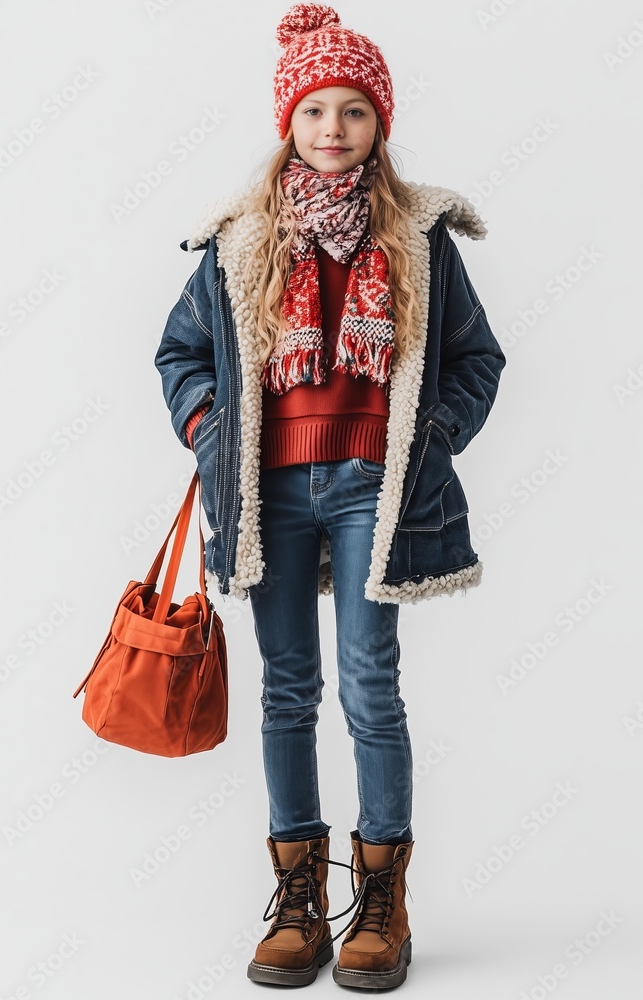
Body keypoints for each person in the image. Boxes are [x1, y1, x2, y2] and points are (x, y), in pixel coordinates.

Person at [155, 3, 506, 990]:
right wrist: (209, 431)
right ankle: (299, 895)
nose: (333, 129)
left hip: (369, 490)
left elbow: (475, 358)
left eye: (354, 110)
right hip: (268, 494)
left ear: (378, 124)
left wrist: (433, 438)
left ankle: (383, 902)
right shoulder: (239, 241)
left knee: (367, 688)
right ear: (289, 122)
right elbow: (181, 355)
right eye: (315, 110)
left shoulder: (419, 238)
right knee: (284, 691)